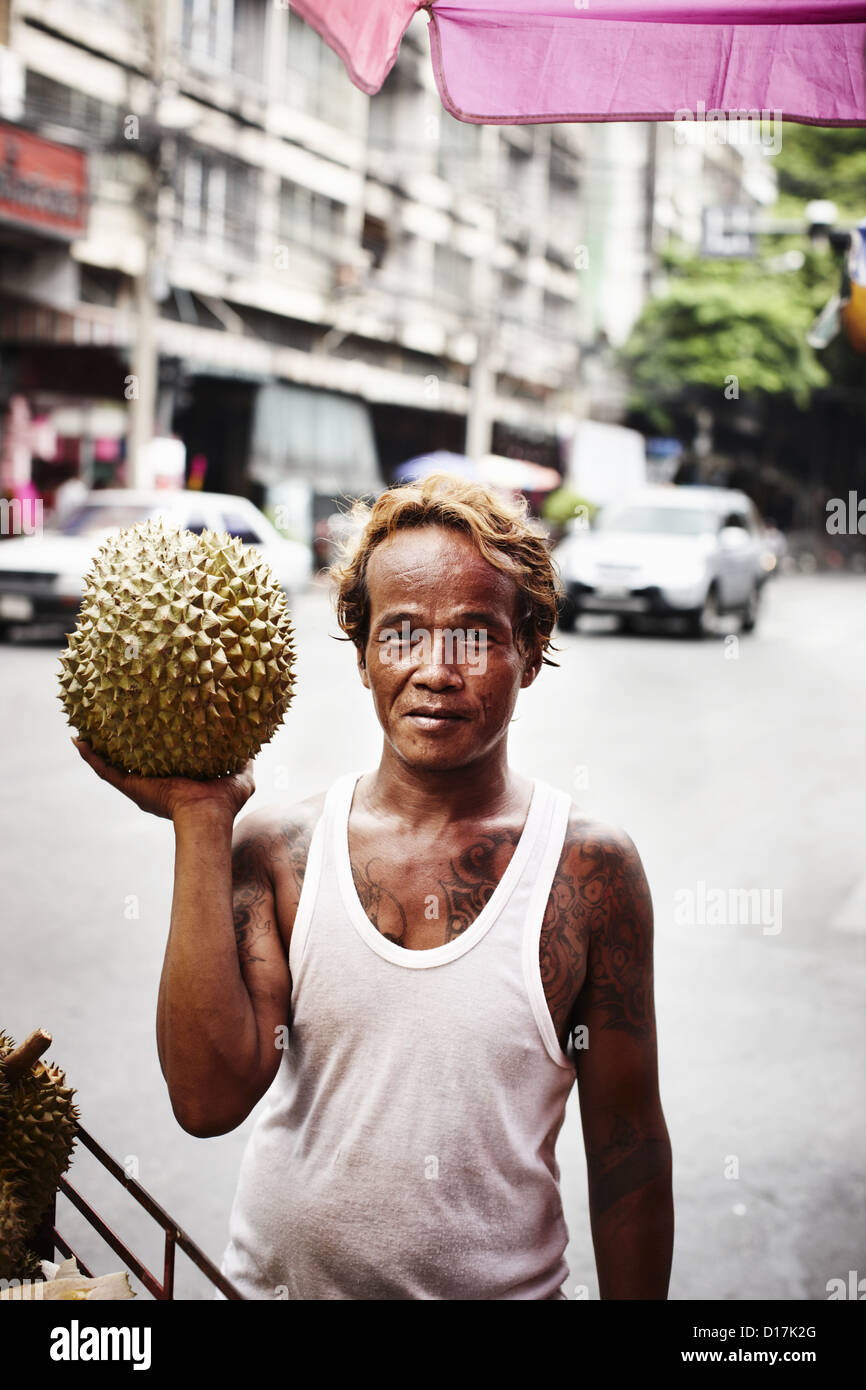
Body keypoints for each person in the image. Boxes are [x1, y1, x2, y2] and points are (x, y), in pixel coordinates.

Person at [73, 471, 673, 1301]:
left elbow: (629, 1144)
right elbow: (207, 1099)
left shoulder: (590, 872)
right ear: (360, 655)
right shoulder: (280, 850)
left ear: (530, 651)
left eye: (475, 634)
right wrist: (202, 818)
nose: (435, 669)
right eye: (400, 634)